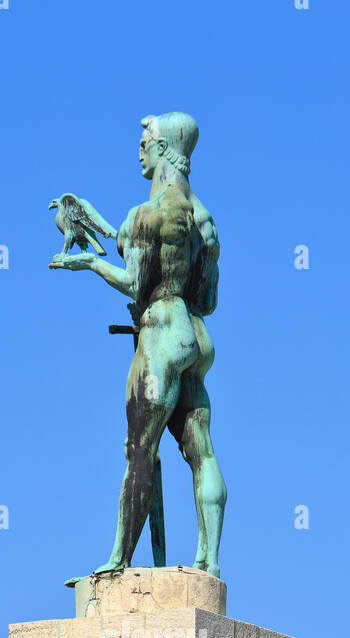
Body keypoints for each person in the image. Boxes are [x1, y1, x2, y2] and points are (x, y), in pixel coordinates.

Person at [50, 112, 227, 579]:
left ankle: (118, 560)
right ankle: (209, 562)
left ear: (166, 148)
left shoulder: (147, 215)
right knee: (202, 452)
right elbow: (207, 301)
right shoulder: (206, 221)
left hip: (160, 335)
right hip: (195, 337)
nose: (139, 149)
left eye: (145, 140)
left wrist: (88, 262)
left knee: (139, 448)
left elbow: (133, 282)